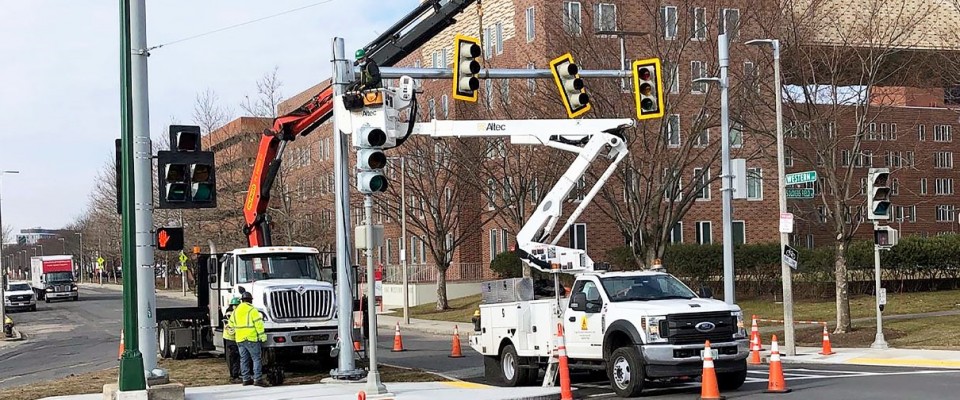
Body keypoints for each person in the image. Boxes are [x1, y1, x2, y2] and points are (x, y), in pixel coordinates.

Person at [229, 291, 268, 386]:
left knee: (244, 359)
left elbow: (230, 325)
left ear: (242, 300)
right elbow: (258, 324)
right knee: (256, 359)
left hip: (240, 339)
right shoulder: (252, 310)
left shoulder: (235, 311)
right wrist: (262, 336)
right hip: (251, 338)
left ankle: (246, 379)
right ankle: (257, 379)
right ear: (250, 300)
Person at [223, 297, 241, 383]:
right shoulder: (231, 313)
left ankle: (234, 374)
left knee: (233, 357)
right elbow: (231, 329)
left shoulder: (229, 312)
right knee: (235, 357)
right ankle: (234, 375)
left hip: (230, 338)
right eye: (236, 305)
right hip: (231, 338)